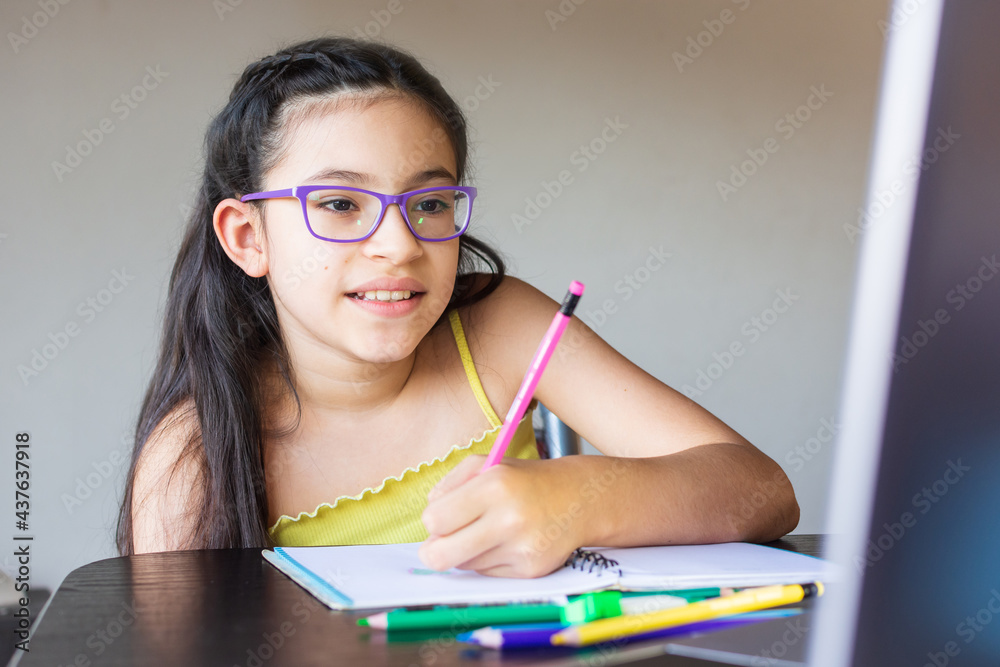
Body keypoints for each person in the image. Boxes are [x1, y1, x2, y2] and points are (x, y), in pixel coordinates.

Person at [116, 37, 798, 578]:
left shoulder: (501, 327)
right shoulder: (193, 456)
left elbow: (763, 490)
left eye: (430, 203)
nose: (399, 245)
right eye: (340, 203)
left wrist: (579, 497)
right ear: (248, 237)